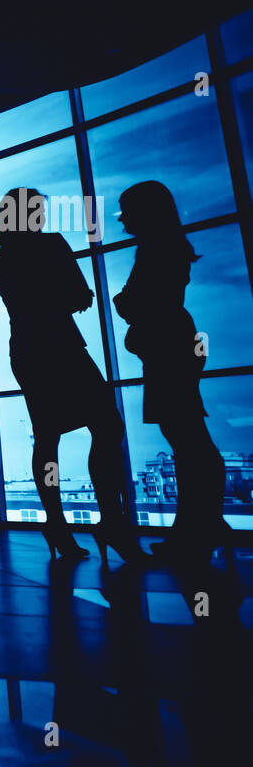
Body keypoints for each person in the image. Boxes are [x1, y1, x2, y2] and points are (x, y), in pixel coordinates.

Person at [0, 187, 142, 561]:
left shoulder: (1, 259)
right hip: (63, 347)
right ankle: (110, 520)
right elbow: (81, 297)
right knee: (105, 425)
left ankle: (58, 523)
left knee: (48, 437)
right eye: (38, 210)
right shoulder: (51, 246)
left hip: (29, 349)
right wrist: (60, 292)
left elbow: (46, 300)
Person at [112, 180, 231, 561]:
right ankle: (203, 523)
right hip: (174, 344)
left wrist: (125, 302)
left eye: (127, 211)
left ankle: (200, 525)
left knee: (186, 437)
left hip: (167, 349)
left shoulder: (154, 248)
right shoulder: (168, 246)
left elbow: (131, 302)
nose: (122, 219)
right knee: (187, 434)